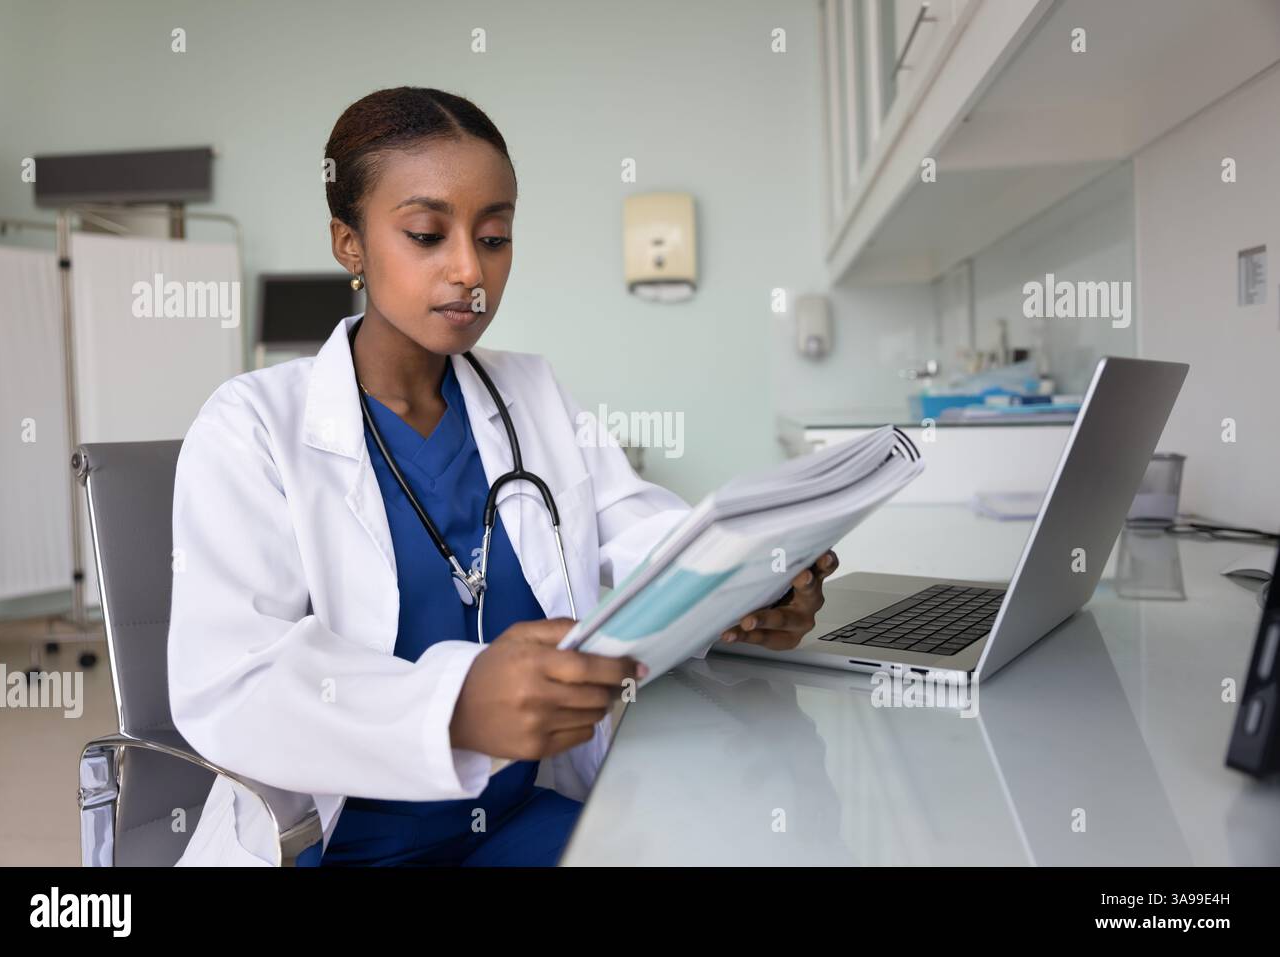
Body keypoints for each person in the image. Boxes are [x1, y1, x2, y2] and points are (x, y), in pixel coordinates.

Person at [167, 86, 839, 867]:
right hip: (341, 847)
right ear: (349, 245)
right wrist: (454, 707)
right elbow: (234, 684)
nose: (468, 269)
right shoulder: (251, 426)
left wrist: (741, 585)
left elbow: (640, 535)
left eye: (495, 237)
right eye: (426, 233)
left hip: (522, 820)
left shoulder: (532, 391)